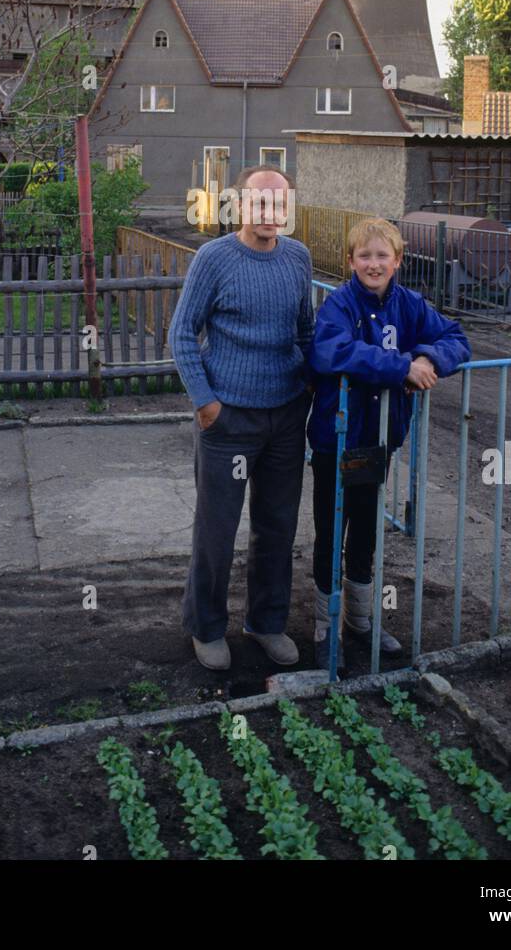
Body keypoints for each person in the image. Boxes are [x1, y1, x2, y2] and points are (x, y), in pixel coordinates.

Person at [306, 217, 471, 670]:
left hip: (379, 442)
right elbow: (330, 352)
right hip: (334, 441)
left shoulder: (409, 304)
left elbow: (456, 338)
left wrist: (428, 357)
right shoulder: (338, 306)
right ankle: (326, 625)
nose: (374, 264)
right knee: (329, 531)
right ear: (351, 261)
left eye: (383, 256)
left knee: (366, 530)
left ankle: (360, 621)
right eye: (365, 256)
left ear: (398, 261)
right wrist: (401, 367)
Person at [168, 166, 314, 671]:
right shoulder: (214, 258)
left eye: (279, 204)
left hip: (285, 418)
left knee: (277, 526)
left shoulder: (298, 257)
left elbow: (306, 334)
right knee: (217, 528)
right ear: (239, 205)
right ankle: (206, 627)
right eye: (259, 203)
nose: (269, 213)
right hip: (228, 422)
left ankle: (266, 622)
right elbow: (182, 332)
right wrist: (206, 402)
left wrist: (313, 389)